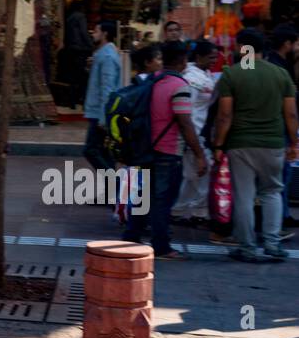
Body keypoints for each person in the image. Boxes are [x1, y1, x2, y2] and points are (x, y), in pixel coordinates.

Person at [213, 28, 297, 262]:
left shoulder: (232, 74)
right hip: (273, 143)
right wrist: (294, 143)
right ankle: (272, 244)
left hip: (241, 143)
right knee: (272, 192)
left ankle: (247, 246)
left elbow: (224, 116)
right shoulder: (281, 74)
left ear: (242, 48)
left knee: (244, 196)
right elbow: (290, 114)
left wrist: (218, 145)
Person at [121, 40, 206, 259]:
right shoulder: (179, 86)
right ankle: (161, 246)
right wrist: (199, 154)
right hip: (168, 152)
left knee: (144, 196)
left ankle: (132, 236)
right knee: (162, 201)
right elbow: (185, 123)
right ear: (182, 61)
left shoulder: (152, 82)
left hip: (147, 148)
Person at [173, 40, 219, 225]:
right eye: (210, 57)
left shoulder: (204, 74)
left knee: (193, 176)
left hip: (201, 133)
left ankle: (183, 210)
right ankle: (194, 211)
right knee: (200, 174)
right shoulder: (191, 79)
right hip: (195, 134)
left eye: (215, 57)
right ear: (198, 57)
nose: (213, 61)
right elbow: (186, 111)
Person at [83, 19, 121, 171]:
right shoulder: (103, 55)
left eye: (97, 31)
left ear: (104, 34)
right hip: (99, 112)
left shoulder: (107, 57)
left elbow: (107, 88)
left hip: (101, 113)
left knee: (91, 150)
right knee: (104, 152)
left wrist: (104, 118)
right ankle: (111, 191)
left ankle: (116, 184)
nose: (93, 33)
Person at [62, 0, 92, 107]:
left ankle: (72, 100)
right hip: (81, 50)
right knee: (83, 76)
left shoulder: (69, 18)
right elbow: (84, 32)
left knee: (73, 76)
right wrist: (90, 45)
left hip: (72, 49)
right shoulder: (80, 17)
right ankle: (83, 99)